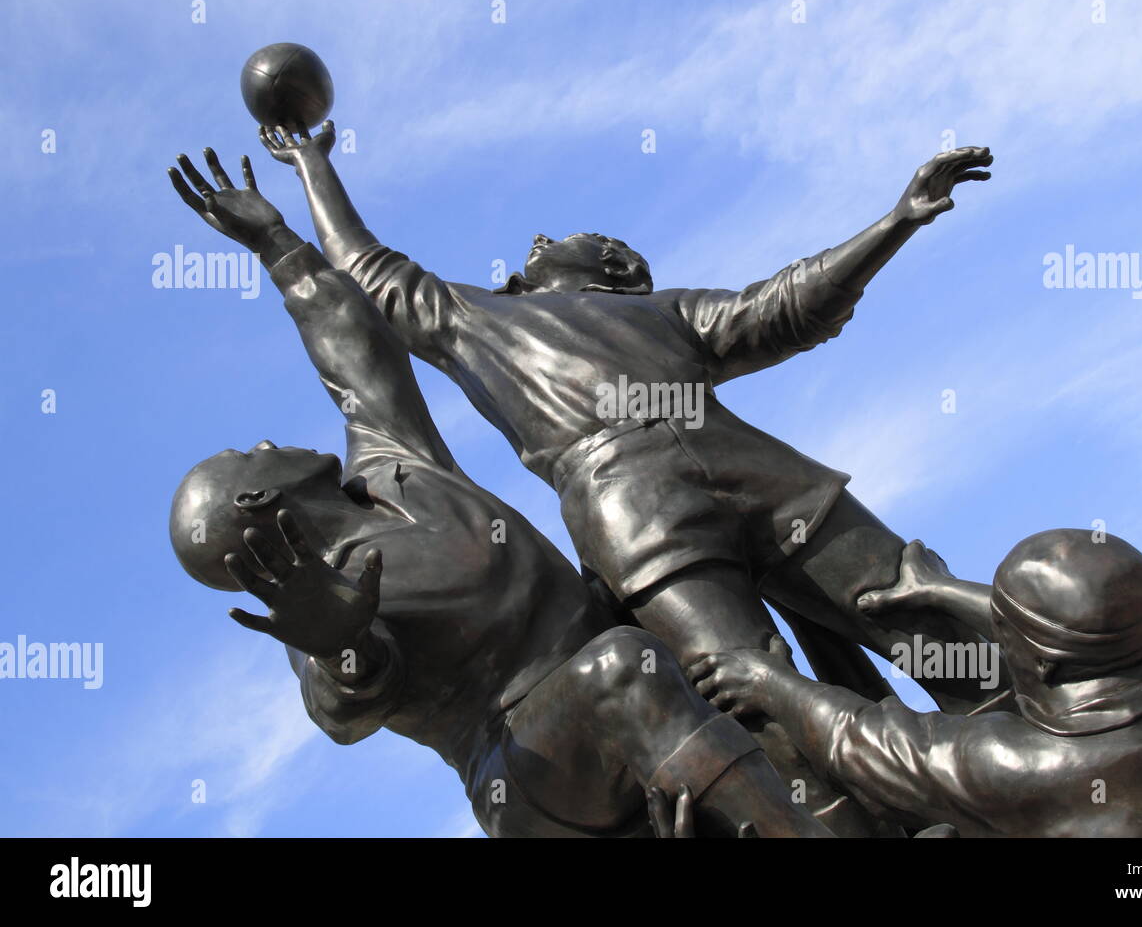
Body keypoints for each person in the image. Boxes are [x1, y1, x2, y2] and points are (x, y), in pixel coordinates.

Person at [260, 122, 1006, 831]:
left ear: (614, 267)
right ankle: (849, 831)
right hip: (632, 516)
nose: (538, 240)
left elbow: (783, 306)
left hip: (763, 478)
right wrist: (314, 165)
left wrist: (897, 220)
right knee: (750, 689)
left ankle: (1030, 770)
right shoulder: (473, 319)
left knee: (911, 605)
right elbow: (367, 270)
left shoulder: (667, 312)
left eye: (564, 237)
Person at [166, 148, 833, 838]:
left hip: (633, 677)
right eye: (249, 457)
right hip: (525, 768)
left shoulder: (392, 463)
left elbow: (351, 343)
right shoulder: (309, 599)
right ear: (255, 505)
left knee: (720, 654)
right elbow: (343, 710)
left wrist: (276, 246)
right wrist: (343, 651)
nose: (267, 444)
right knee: (622, 670)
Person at [689, 530, 1142, 836]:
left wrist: (769, 683)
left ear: (1045, 666)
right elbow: (1089, 636)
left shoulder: (1037, 763)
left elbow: (871, 739)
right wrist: (943, 590)